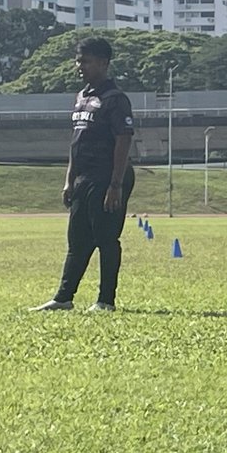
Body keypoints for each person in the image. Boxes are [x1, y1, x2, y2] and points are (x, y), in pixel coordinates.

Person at [32, 37, 136, 312]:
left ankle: (105, 301)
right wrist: (69, 179)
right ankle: (63, 298)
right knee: (77, 239)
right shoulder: (82, 98)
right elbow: (76, 142)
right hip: (84, 176)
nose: (80, 66)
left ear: (104, 63)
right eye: (78, 60)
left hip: (108, 175)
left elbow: (124, 140)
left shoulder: (115, 100)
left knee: (105, 238)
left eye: (86, 61)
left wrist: (115, 184)